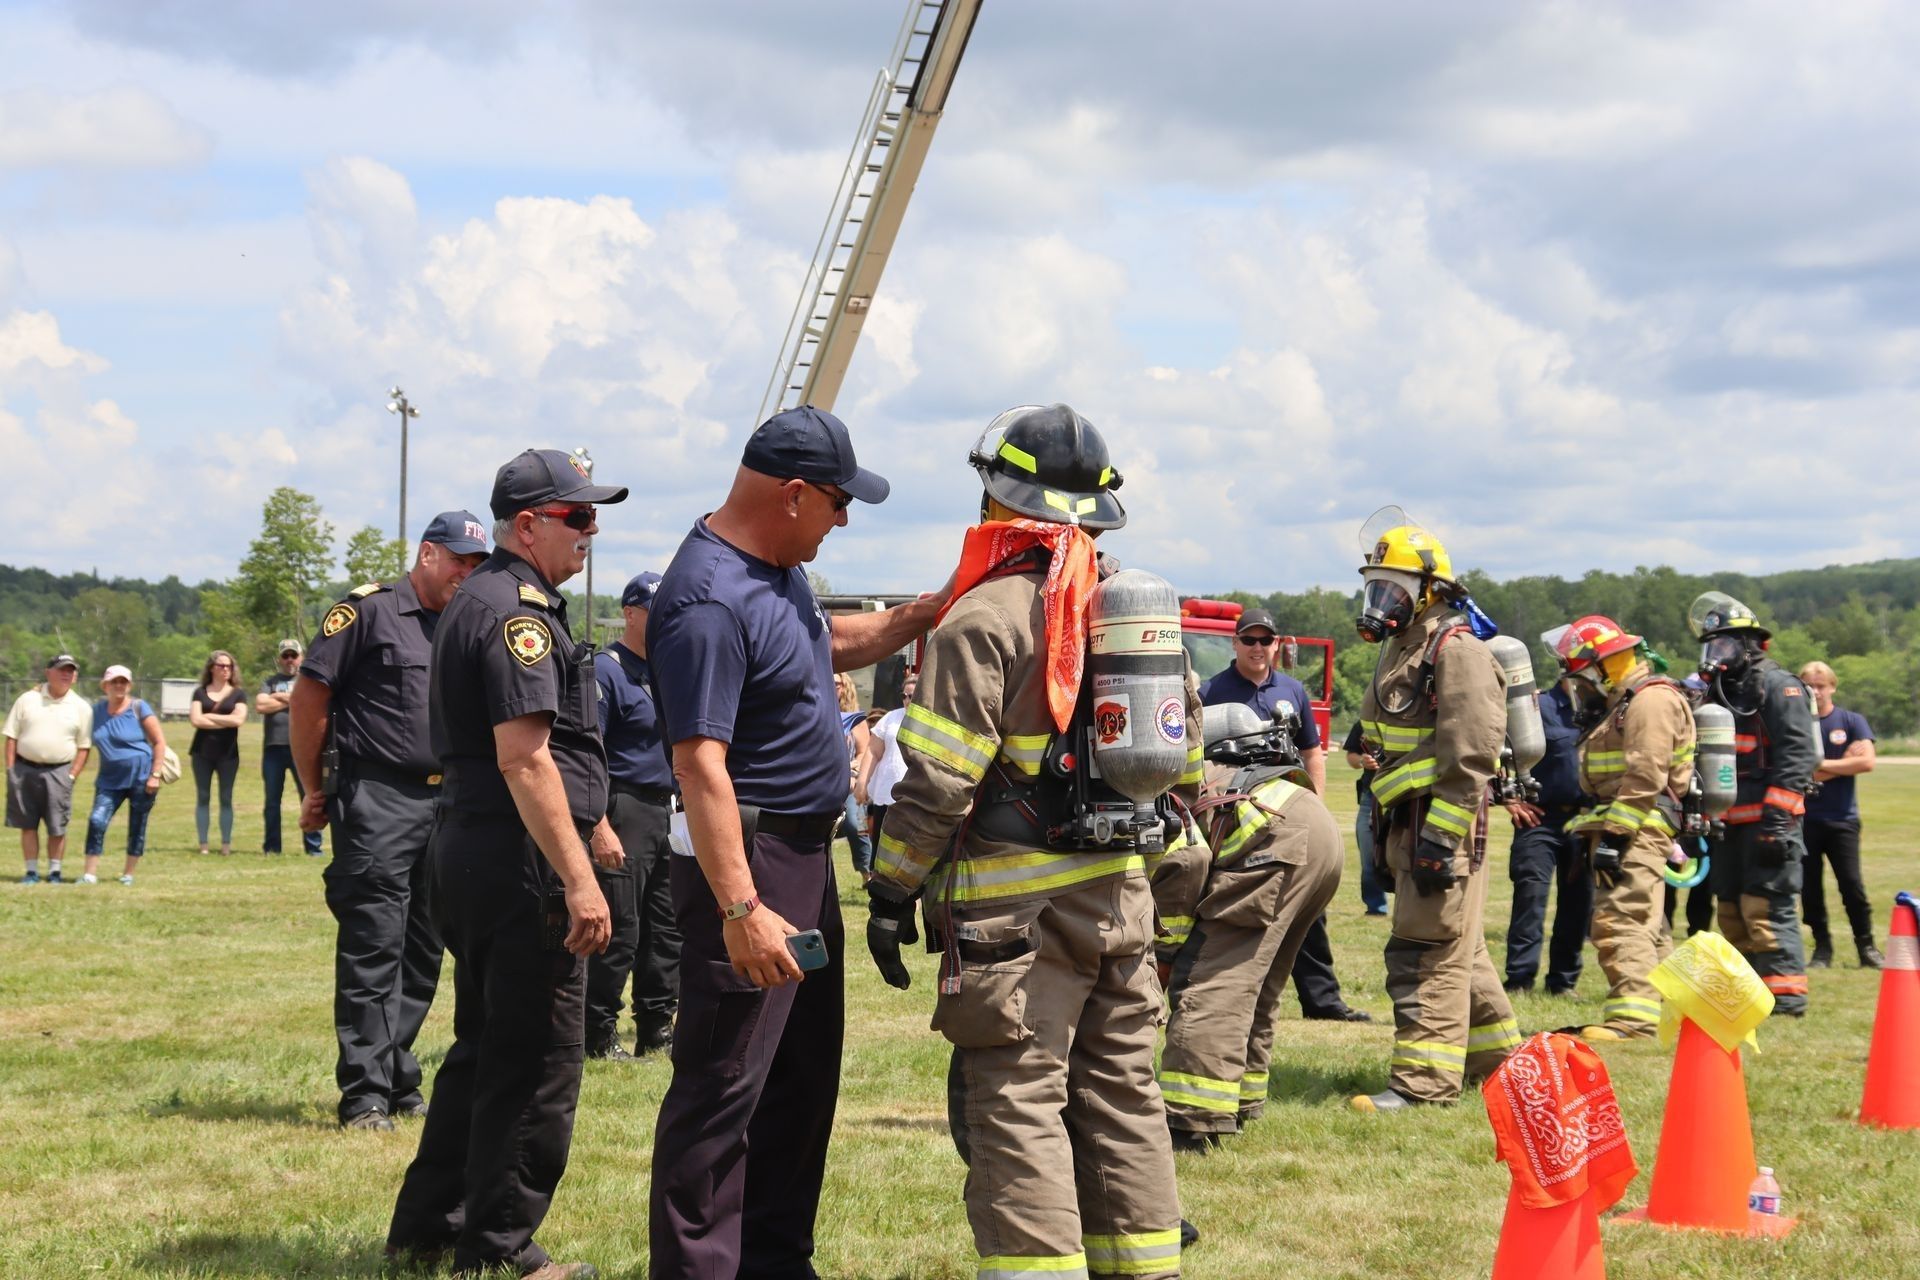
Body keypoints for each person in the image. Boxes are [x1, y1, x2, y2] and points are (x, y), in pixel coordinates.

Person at [867, 404, 1197, 1280]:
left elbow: (938, 781)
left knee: (1019, 1102)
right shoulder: (1132, 615)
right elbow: (1182, 756)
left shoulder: (985, 618)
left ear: (997, 498)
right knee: (1125, 1096)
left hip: (1015, 917)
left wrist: (892, 889)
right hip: (1121, 895)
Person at [648, 406, 943, 1280]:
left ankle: (775, 1262)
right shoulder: (707, 598)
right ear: (791, 494)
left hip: (804, 862)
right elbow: (701, 766)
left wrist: (923, 613)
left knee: (799, 1083)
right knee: (723, 1093)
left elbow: (826, 642)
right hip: (752, 861)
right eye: (838, 502)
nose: (844, 519)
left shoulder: (776, 574)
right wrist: (742, 908)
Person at [385, 461, 622, 1279]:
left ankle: (429, 1225)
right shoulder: (515, 611)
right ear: (529, 524)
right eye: (578, 520)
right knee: (537, 1061)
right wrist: (579, 879)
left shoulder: (484, 600)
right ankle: (500, 1248)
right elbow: (525, 760)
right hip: (517, 861)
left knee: (484, 1048)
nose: (591, 535)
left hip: (479, 848)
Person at [293, 511, 489, 1132]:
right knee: (374, 943)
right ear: (427, 554)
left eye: (476, 563)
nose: (466, 572)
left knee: (424, 948)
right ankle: (364, 1094)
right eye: (458, 559)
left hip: (447, 802)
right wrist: (312, 787)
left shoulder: (468, 621)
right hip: (378, 795)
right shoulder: (368, 612)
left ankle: (399, 1077)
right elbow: (309, 697)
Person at [1348, 513, 1519, 1112]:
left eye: (1393, 588)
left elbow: (1471, 756)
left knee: (1427, 952)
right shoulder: (1405, 647)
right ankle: (1502, 1068)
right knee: (1461, 950)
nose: (1381, 600)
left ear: (1430, 591)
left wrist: (1441, 840)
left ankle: (1422, 1086)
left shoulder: (1458, 650)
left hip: (1439, 825)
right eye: (1376, 586)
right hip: (1406, 821)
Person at [1154, 703, 1343, 1149]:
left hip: (1276, 840)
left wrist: (1165, 955)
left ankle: (1191, 1121)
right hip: (1315, 827)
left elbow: (1185, 864)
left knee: (1211, 978)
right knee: (1257, 982)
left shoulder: (1156, 781)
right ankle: (1239, 1101)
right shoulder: (1224, 764)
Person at [1200, 608, 1367, 1023]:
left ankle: (1323, 1002)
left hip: (1290, 815)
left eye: (1266, 641)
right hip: (1236, 820)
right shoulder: (1209, 692)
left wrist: (1318, 806)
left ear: (1277, 645)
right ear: (1234, 644)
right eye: (1249, 640)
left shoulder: (1292, 691)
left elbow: (1311, 751)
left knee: (1309, 911)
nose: (1258, 648)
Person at [1550, 617, 1694, 1041]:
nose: (1581, 686)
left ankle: (1634, 1022)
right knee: (1649, 924)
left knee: (1620, 920)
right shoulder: (1626, 701)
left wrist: (1616, 834)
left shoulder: (1649, 702)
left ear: (1602, 665)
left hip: (1636, 825)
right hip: (1631, 823)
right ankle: (1671, 1015)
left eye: (1583, 676)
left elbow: (1646, 774)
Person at [1691, 591, 1818, 1016]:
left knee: (1765, 910)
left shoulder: (1780, 687)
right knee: (1729, 911)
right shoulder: (1719, 693)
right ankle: (1748, 998)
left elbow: (1798, 756)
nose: (1718, 654)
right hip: (1727, 823)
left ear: (1750, 644)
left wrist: (1778, 822)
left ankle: (1785, 999)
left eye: (1726, 644)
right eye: (1714, 645)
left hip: (1769, 822)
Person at [585, 570, 681, 1060]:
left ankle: (657, 1024)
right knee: (620, 924)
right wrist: (598, 823)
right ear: (629, 613)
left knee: (667, 924)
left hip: (666, 808)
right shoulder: (607, 670)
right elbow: (588, 753)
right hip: (623, 805)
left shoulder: (667, 669)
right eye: (654, 610)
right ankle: (597, 1027)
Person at [1499, 637, 1595, 996]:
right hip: (1539, 819)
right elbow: (1499, 749)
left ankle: (1563, 982)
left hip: (1586, 820)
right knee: (1530, 899)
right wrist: (1509, 798)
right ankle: (1520, 980)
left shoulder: (1603, 710)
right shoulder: (1536, 707)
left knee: (1579, 904)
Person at [1798, 661, 1883, 969]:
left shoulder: (1851, 721)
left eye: (1821, 686)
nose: (1816, 692)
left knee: (1852, 885)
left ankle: (1867, 946)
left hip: (1842, 819)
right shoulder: (1796, 724)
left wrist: (1819, 768)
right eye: (1809, 686)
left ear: (1832, 687)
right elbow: (1794, 773)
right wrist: (1842, 763)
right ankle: (1822, 948)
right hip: (1804, 818)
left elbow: (1867, 763)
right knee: (1809, 889)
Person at [6, 654, 94, 884]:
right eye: (61, 669)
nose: (66, 674)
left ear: (75, 677)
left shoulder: (81, 707)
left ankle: (55, 871)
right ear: (48, 672)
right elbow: (11, 736)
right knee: (27, 824)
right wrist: (10, 769)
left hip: (60, 771)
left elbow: (84, 746)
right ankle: (31, 871)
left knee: (57, 826)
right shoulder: (27, 699)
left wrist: (72, 775)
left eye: (70, 671)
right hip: (24, 768)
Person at [82, 665, 168, 886]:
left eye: (123, 682)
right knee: (97, 820)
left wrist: (155, 774)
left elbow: (159, 742)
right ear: (105, 686)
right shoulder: (96, 712)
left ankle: (128, 874)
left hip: (142, 777)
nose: (119, 686)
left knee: (137, 825)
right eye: (114, 682)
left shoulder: (139, 708)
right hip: (109, 780)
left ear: (129, 685)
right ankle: (89, 874)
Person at [258, 638, 323, 856]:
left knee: (311, 797)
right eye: (285, 655)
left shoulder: (308, 680)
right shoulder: (270, 681)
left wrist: (278, 698)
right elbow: (260, 705)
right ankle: (272, 847)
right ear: (279, 658)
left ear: (301, 657)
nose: (289, 660)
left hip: (303, 750)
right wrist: (295, 699)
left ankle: (313, 848)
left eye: (293, 655)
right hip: (274, 748)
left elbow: (312, 701)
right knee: (272, 801)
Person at [187, 651, 247, 856]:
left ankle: (225, 845)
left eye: (229, 666)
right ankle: (203, 845)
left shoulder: (238, 694)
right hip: (201, 753)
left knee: (226, 798)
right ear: (211, 668)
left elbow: (238, 720)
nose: (225, 669)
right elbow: (196, 720)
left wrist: (210, 717)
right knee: (203, 797)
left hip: (228, 754)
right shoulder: (199, 692)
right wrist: (224, 719)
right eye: (221, 666)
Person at [1341, 722, 1389, 915]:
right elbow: (1351, 756)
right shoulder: (1364, 722)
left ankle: (1409, 907)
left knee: (1404, 854)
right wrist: (1363, 761)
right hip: (1370, 796)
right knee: (1369, 856)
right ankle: (1376, 908)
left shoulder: (1410, 718)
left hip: (1404, 794)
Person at [834, 672, 874, 881]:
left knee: (854, 822)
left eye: (837, 684)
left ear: (845, 687)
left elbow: (863, 752)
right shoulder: (817, 712)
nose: (833, 687)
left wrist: (848, 766)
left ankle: (867, 872)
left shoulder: (855, 719)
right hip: (822, 780)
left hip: (848, 779)